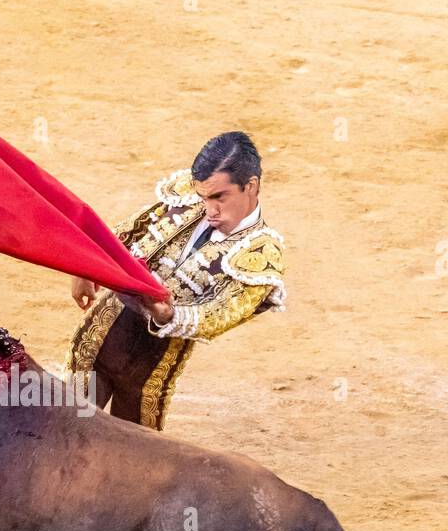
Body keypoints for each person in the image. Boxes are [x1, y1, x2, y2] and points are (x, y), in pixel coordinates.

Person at [65, 131, 286, 430]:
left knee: (134, 466)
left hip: (150, 374)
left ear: (251, 186)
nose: (209, 209)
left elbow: (219, 314)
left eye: (220, 197)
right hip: (98, 341)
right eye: (203, 196)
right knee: (67, 435)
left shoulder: (261, 254)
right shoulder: (188, 195)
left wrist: (169, 314)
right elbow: (132, 231)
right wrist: (88, 264)